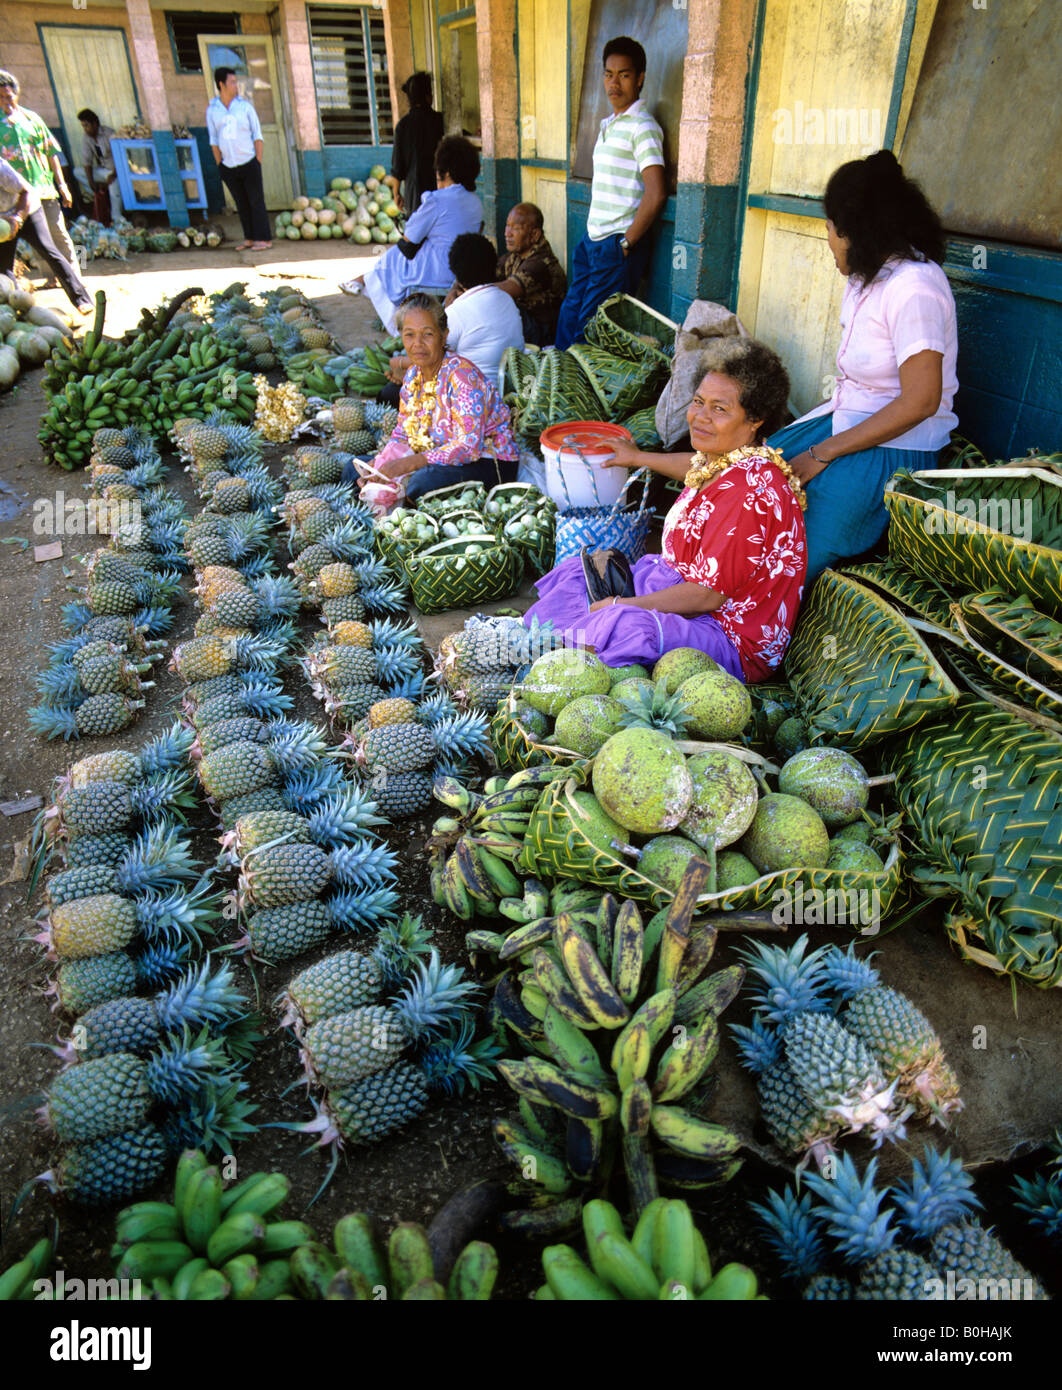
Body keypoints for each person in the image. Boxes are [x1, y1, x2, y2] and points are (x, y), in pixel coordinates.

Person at [524, 339, 806, 683]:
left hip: (727, 635)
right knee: (576, 573)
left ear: (755, 419)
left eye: (720, 409)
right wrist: (638, 458)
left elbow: (706, 596)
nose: (700, 417)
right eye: (699, 402)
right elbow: (695, 465)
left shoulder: (750, 494)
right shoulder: (730, 457)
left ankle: (551, 672)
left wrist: (621, 606)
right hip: (685, 593)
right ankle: (546, 649)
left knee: (622, 625)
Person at [766, 149, 958, 583]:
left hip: (896, 446)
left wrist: (821, 453)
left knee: (795, 558)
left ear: (854, 232)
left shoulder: (915, 288)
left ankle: (760, 637)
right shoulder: (866, 277)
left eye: (831, 229)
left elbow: (921, 401)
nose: (829, 241)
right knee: (753, 481)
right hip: (847, 421)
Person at [346, 293, 519, 505]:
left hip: (488, 461)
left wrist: (410, 464)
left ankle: (396, 502)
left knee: (422, 483)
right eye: (409, 335)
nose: (417, 344)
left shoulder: (462, 377)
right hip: (435, 456)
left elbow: (467, 447)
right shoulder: (412, 376)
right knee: (352, 471)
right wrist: (381, 462)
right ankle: (389, 497)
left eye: (427, 334)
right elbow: (402, 433)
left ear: (443, 336)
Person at [553, 37, 666, 352]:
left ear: (640, 78)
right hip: (592, 242)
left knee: (589, 334)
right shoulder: (609, 125)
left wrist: (626, 244)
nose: (614, 83)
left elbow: (655, 193)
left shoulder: (643, 127)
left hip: (616, 245)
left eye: (624, 75)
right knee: (569, 316)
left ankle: (575, 398)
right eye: (608, 74)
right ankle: (555, 388)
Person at [340, 136, 483, 332]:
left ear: (445, 172)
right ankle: (363, 279)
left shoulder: (437, 199)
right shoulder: (475, 202)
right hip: (463, 269)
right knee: (399, 255)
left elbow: (409, 240)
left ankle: (368, 283)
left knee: (395, 254)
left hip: (439, 271)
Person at [0, 71, 80, 278]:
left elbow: (51, 151)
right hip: (14, 197)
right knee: (37, 241)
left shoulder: (31, 119)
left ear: (16, 95)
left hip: (42, 188)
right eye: (0, 97)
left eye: (8, 96)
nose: (5, 101)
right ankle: (51, 279)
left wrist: (62, 185)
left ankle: (75, 279)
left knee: (59, 234)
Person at [0, 157, 91, 313]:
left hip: (27, 211)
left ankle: (81, 300)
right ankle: (15, 310)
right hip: (4, 221)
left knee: (48, 251)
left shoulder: (1, 169)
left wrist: (17, 218)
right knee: (3, 268)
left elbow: (26, 191)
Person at [206, 67, 271, 251]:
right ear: (221, 84)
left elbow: (257, 135)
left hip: (249, 161)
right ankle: (249, 238)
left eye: (236, 82)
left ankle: (264, 239)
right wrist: (220, 165)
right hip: (228, 165)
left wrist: (257, 160)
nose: (236, 85)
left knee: (256, 201)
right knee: (241, 203)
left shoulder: (245, 107)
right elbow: (213, 139)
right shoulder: (213, 110)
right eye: (232, 82)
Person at [496, 203, 567, 346]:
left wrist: (469, 292)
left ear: (534, 234)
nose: (507, 233)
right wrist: (459, 287)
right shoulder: (515, 256)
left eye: (515, 228)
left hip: (543, 333)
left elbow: (508, 288)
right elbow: (484, 276)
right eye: (507, 226)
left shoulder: (541, 262)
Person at [385, 72, 443, 217]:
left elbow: (398, 166)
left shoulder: (403, 126)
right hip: (440, 191)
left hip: (414, 193)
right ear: (428, 96)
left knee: (416, 235)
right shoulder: (440, 121)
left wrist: (396, 193)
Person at [76, 110, 122, 226]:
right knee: (77, 172)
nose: (85, 129)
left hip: (116, 170)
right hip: (103, 171)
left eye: (86, 125)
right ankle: (95, 193)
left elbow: (120, 156)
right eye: (83, 126)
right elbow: (87, 161)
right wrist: (91, 182)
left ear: (95, 124)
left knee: (113, 185)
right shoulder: (87, 138)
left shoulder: (109, 134)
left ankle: (116, 218)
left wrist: (114, 174)